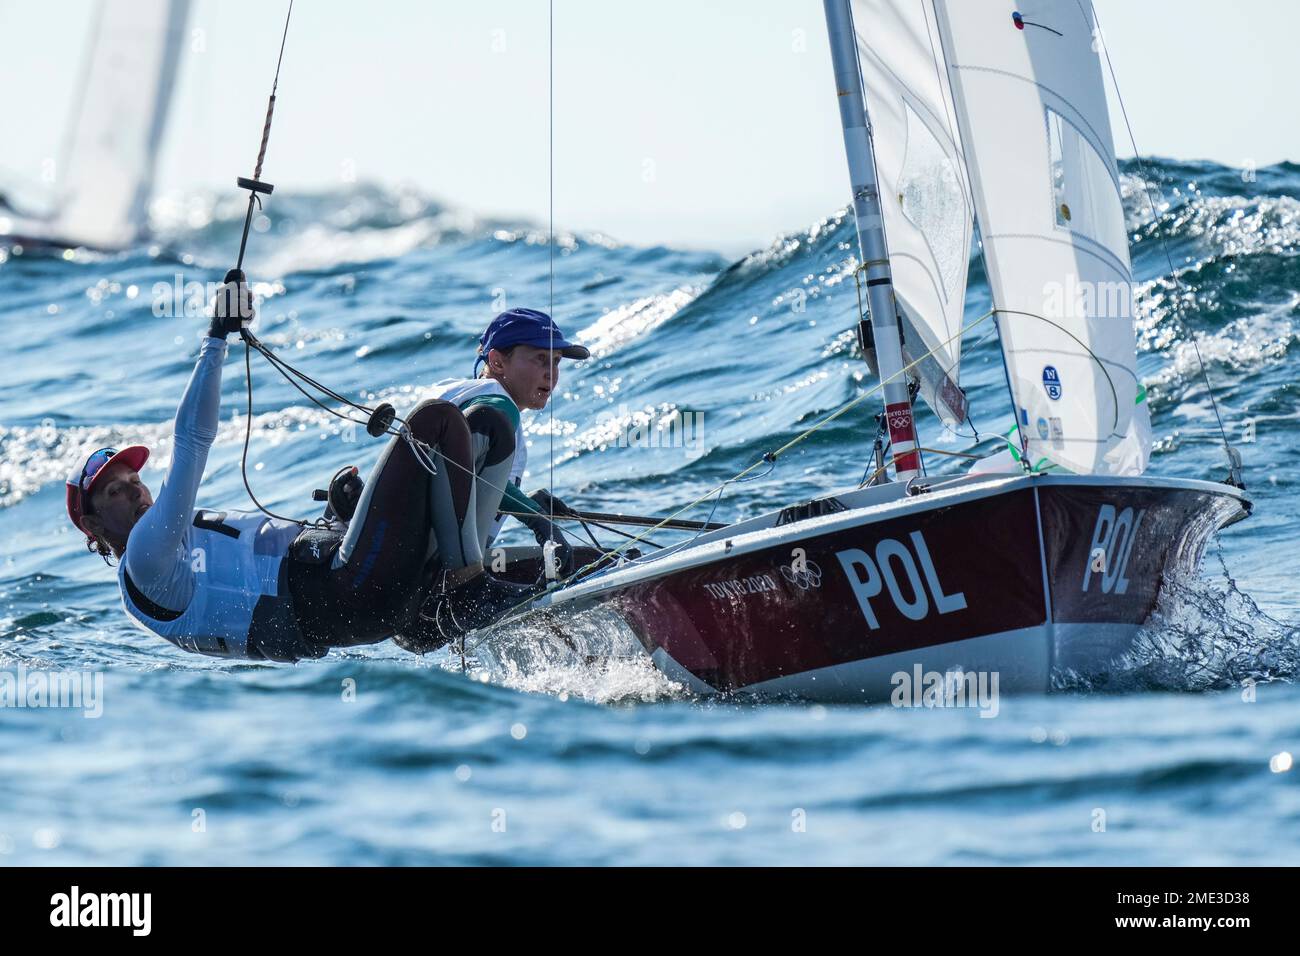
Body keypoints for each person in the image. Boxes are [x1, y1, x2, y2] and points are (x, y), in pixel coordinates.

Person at [67, 273, 541, 662]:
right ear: (92, 525)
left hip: (377, 609)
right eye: (115, 492)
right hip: (347, 590)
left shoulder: (158, 575)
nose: (134, 492)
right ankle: (469, 584)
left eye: (134, 481)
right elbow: (192, 444)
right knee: (438, 421)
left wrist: (342, 516)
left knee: (485, 433)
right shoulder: (147, 557)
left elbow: (265, 572)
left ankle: (484, 577)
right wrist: (216, 337)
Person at [394, 308, 593, 651]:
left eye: (557, 361)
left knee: (584, 561)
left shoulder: (458, 393)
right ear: (498, 362)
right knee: (592, 565)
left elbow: (459, 480)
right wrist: (538, 521)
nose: (551, 373)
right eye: (539, 358)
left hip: (416, 591)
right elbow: (461, 474)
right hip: (435, 595)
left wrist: (528, 501)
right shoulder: (495, 407)